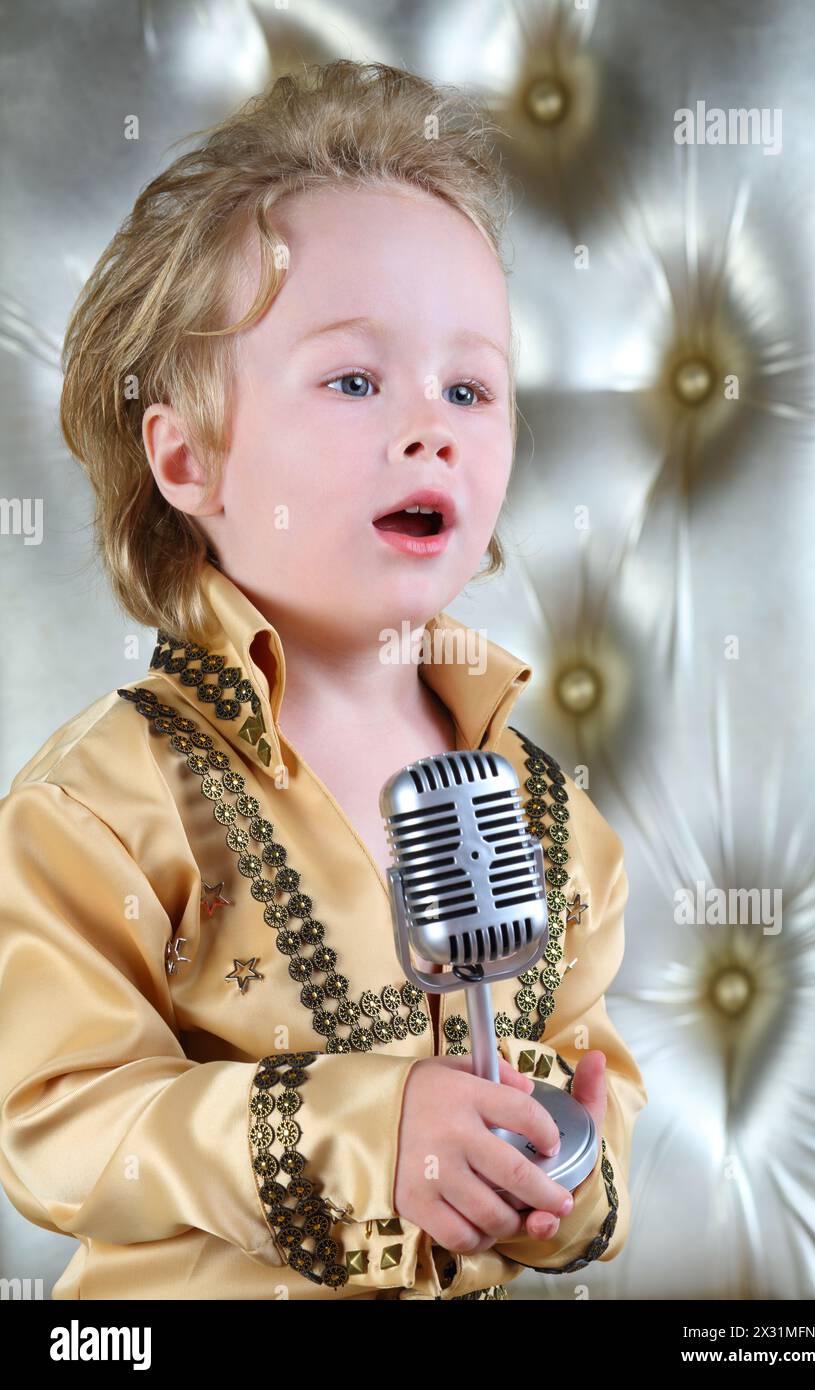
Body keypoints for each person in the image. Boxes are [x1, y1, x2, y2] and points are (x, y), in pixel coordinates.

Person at [0, 60, 647, 1301]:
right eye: (355, 380)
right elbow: (57, 1113)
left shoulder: (551, 822)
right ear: (189, 457)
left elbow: (594, 1083)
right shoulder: (106, 807)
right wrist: (364, 1129)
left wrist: (560, 1170)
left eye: (470, 386)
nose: (432, 426)